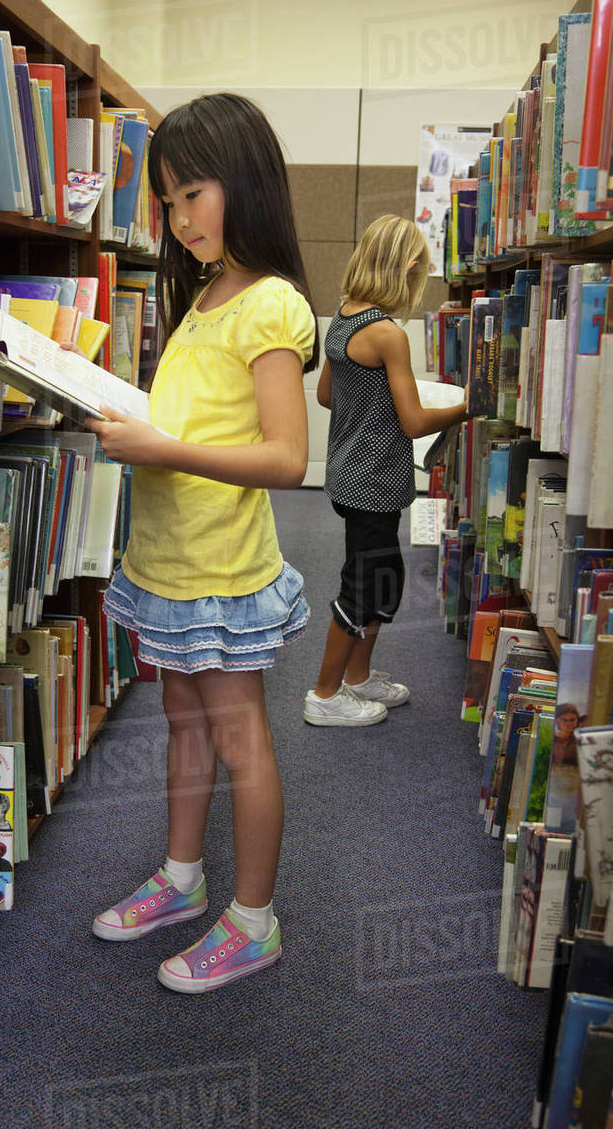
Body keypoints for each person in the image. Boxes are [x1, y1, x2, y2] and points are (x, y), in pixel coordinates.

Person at [83, 92, 317, 993]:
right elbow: (195, 415)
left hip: (222, 570)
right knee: (183, 723)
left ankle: (254, 923)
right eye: (168, 202)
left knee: (239, 738)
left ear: (247, 182)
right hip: (171, 563)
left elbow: (288, 458)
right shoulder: (202, 294)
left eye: (194, 195)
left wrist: (162, 445)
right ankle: (184, 878)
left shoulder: (268, 306)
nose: (180, 221)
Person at [303, 213, 471, 728]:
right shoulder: (387, 333)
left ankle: (358, 677)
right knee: (363, 585)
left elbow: (328, 394)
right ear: (411, 266)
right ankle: (325, 694)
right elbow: (416, 420)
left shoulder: (344, 318)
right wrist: (469, 406)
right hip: (373, 482)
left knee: (383, 577)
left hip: (349, 473)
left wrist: (372, 406)